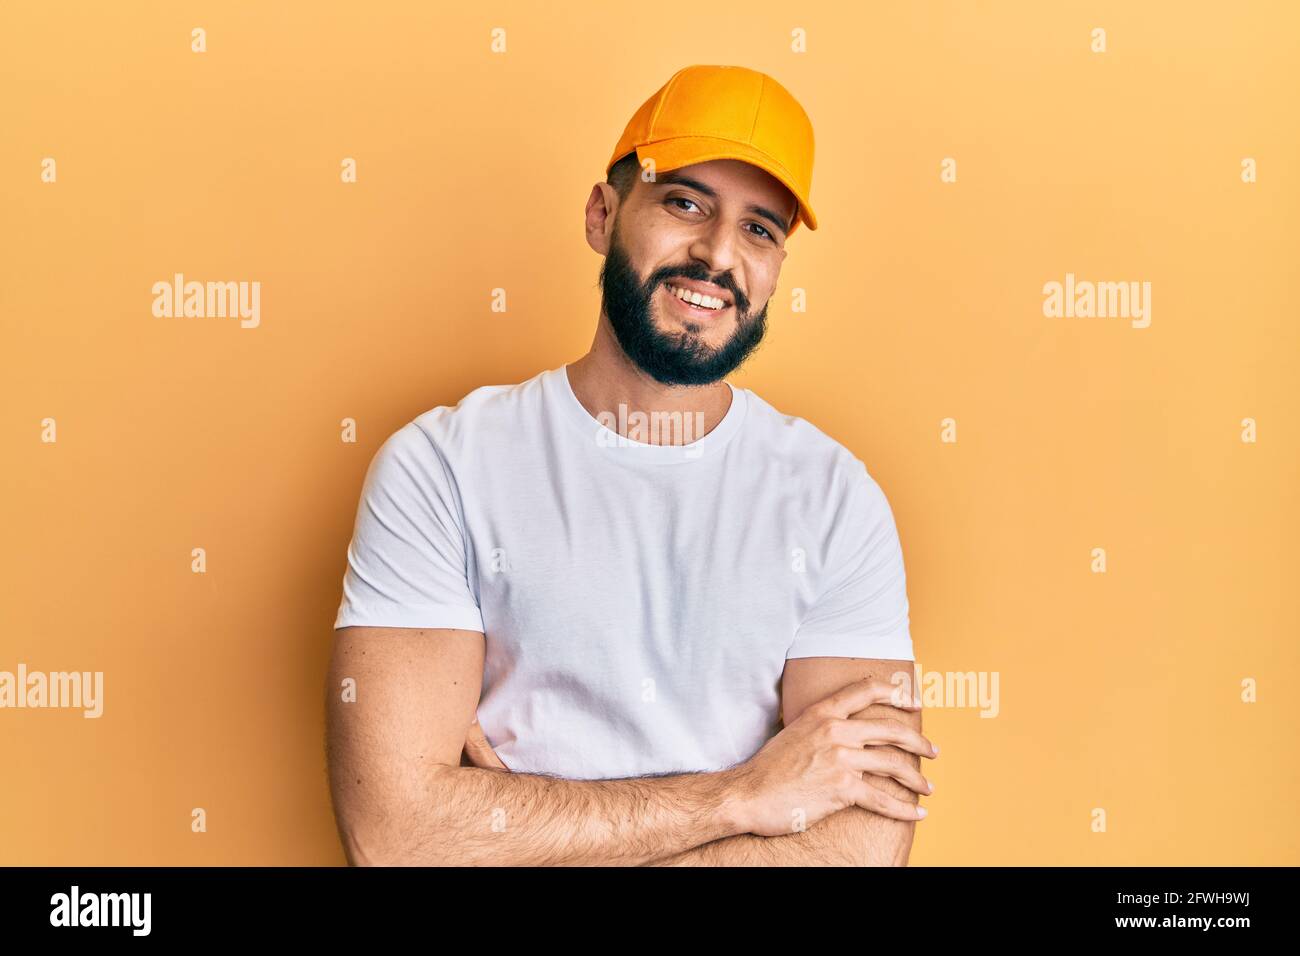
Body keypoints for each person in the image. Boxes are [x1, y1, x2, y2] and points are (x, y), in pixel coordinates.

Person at [326, 64, 938, 866]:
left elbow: (858, 848)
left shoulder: (836, 501)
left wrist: (518, 833)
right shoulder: (441, 468)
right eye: (684, 203)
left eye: (760, 230)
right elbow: (396, 837)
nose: (717, 256)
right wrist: (742, 795)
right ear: (602, 213)